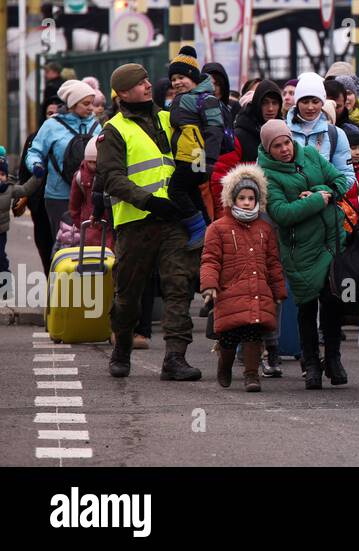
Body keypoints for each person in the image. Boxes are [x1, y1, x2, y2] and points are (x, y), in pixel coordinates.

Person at [99, 64, 202, 381]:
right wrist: (148, 200)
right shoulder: (113, 130)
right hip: (136, 222)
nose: (147, 85)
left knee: (178, 285)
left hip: (171, 219)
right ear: (123, 93)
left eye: (146, 80)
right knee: (128, 294)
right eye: (139, 82)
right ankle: (121, 350)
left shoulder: (167, 119)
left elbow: (189, 157)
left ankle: (174, 358)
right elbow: (112, 179)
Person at [257, 118, 350, 389]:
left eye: (286, 142)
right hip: (300, 250)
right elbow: (282, 213)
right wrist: (315, 201)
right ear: (268, 148)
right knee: (307, 306)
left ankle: (333, 358)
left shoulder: (310, 154)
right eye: (277, 146)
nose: (285, 148)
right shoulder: (267, 174)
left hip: (331, 243)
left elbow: (340, 181)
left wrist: (321, 191)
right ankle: (310, 364)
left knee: (334, 301)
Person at [200, 164, 287, 392]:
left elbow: (272, 263)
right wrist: (209, 285)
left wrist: (278, 291)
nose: (247, 202)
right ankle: (224, 365)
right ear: (232, 199)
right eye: (242, 198)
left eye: (251, 198)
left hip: (258, 292)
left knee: (253, 335)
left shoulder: (264, 229)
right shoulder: (218, 228)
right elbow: (210, 259)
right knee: (229, 337)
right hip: (229, 293)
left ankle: (251, 375)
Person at [26, 78, 101, 254]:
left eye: (92, 103)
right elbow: (34, 151)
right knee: (64, 244)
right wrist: (36, 165)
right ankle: (63, 280)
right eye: (86, 103)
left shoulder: (96, 126)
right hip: (59, 196)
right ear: (73, 103)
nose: (91, 108)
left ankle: (89, 281)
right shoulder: (52, 125)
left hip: (90, 193)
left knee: (91, 245)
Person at [166, 47, 226, 246]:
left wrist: (209, 160)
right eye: (173, 79)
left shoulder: (205, 100)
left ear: (193, 78)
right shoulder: (184, 98)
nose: (176, 82)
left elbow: (215, 129)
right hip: (186, 155)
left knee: (175, 189)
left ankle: (198, 228)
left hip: (195, 156)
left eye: (181, 77)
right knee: (192, 192)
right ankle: (208, 230)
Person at [286, 72, 355, 192]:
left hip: (325, 206)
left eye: (315, 101)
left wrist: (323, 193)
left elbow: (347, 177)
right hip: (288, 207)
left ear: (323, 102)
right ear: (297, 103)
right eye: (305, 102)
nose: (310, 107)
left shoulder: (336, 135)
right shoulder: (281, 131)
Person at [17, 107, 58, 275]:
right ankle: (52, 287)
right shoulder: (34, 139)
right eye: (49, 113)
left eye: (57, 112)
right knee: (45, 248)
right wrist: (21, 199)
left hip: (62, 203)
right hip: (39, 205)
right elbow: (24, 174)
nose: (53, 116)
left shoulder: (71, 138)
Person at [0, 154, 45, 280]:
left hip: (1, 232)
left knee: (1, 258)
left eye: (2, 174)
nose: (0, 177)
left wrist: (37, 177)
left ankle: (6, 283)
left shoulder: (9, 189)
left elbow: (25, 189)